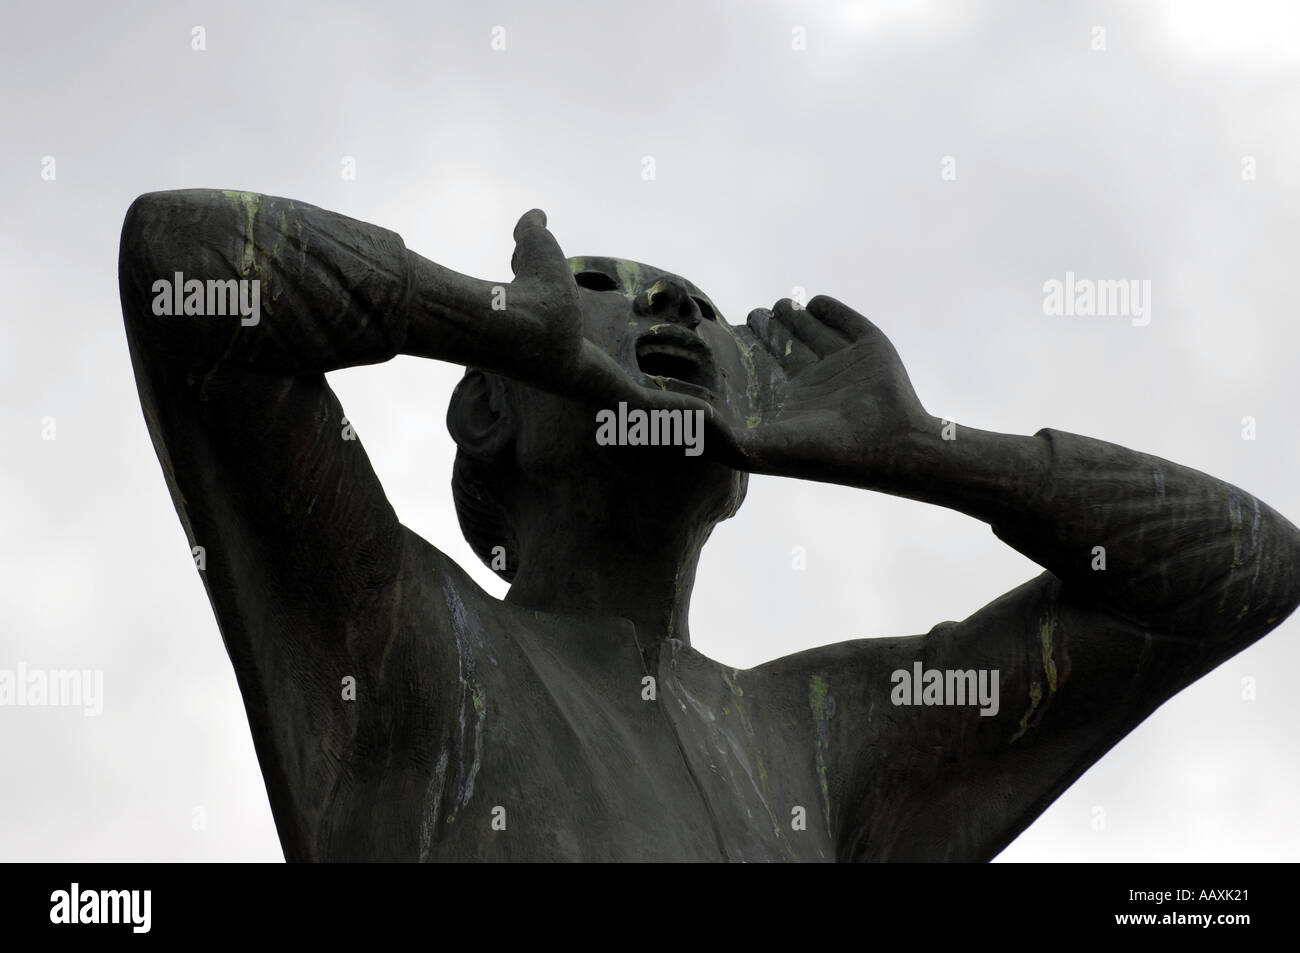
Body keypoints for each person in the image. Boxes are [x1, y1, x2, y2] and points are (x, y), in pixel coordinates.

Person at [118, 189, 1300, 861]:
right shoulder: (399, 634)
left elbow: (1244, 567)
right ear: (486, 411)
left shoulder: (821, 737)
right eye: (605, 289)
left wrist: (926, 448)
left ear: (738, 478)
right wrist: (467, 311)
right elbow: (184, 263)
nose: (669, 310)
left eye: (694, 307)